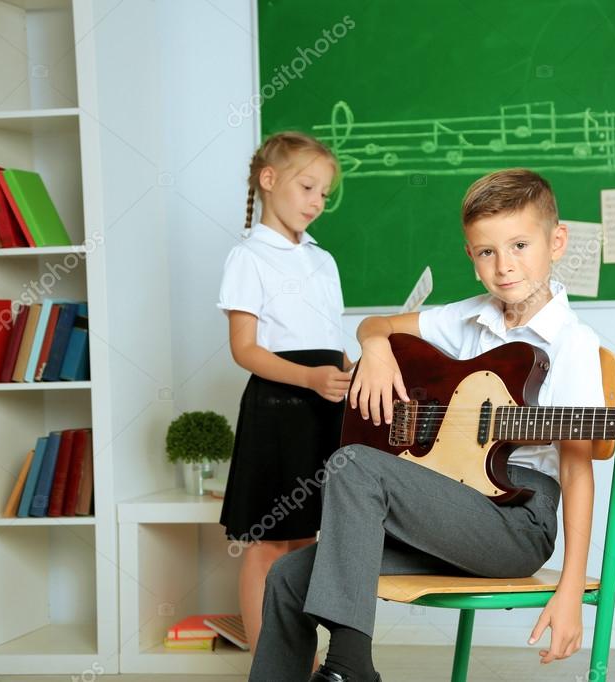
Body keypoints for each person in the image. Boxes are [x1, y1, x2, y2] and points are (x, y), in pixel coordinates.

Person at [250, 168, 604, 682]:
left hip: (515, 522)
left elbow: (576, 473)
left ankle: (349, 667)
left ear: (557, 242)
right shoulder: (469, 317)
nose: (504, 266)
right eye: (486, 252)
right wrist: (374, 349)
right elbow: (377, 325)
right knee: (286, 575)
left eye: (520, 245)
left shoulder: (573, 343)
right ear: (470, 255)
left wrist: (570, 590)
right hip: (447, 507)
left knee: (354, 464)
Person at [217, 131, 353, 653]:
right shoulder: (248, 256)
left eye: (324, 193)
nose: (317, 202)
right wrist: (311, 379)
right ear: (269, 181)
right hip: (278, 409)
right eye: (308, 187)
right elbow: (245, 350)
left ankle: (298, 656)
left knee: (308, 538)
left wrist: (346, 368)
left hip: (324, 409)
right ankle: (265, 661)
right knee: (269, 541)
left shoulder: (323, 260)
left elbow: (326, 340)